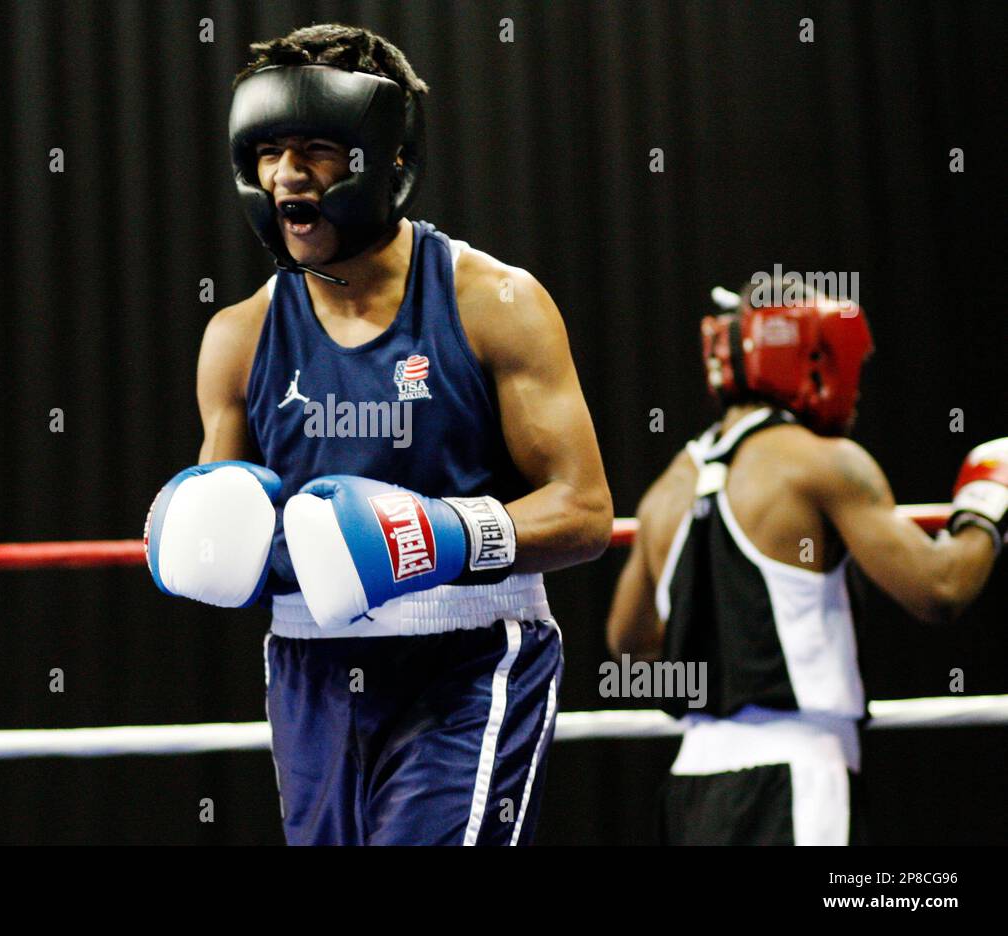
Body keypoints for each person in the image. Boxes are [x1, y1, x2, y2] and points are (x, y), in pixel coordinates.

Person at [144, 24, 612, 845]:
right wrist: (195, 540)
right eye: (267, 152)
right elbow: (227, 550)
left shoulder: (494, 304)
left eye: (318, 149)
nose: (287, 176)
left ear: (386, 157)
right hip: (309, 673)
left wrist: (439, 535)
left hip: (468, 656)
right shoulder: (239, 338)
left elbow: (584, 513)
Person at [606, 278, 1006, 845]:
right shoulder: (823, 464)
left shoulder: (667, 488)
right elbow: (940, 589)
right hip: (796, 775)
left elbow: (627, 643)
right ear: (809, 359)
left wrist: (725, 651)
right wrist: (988, 503)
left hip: (690, 787)